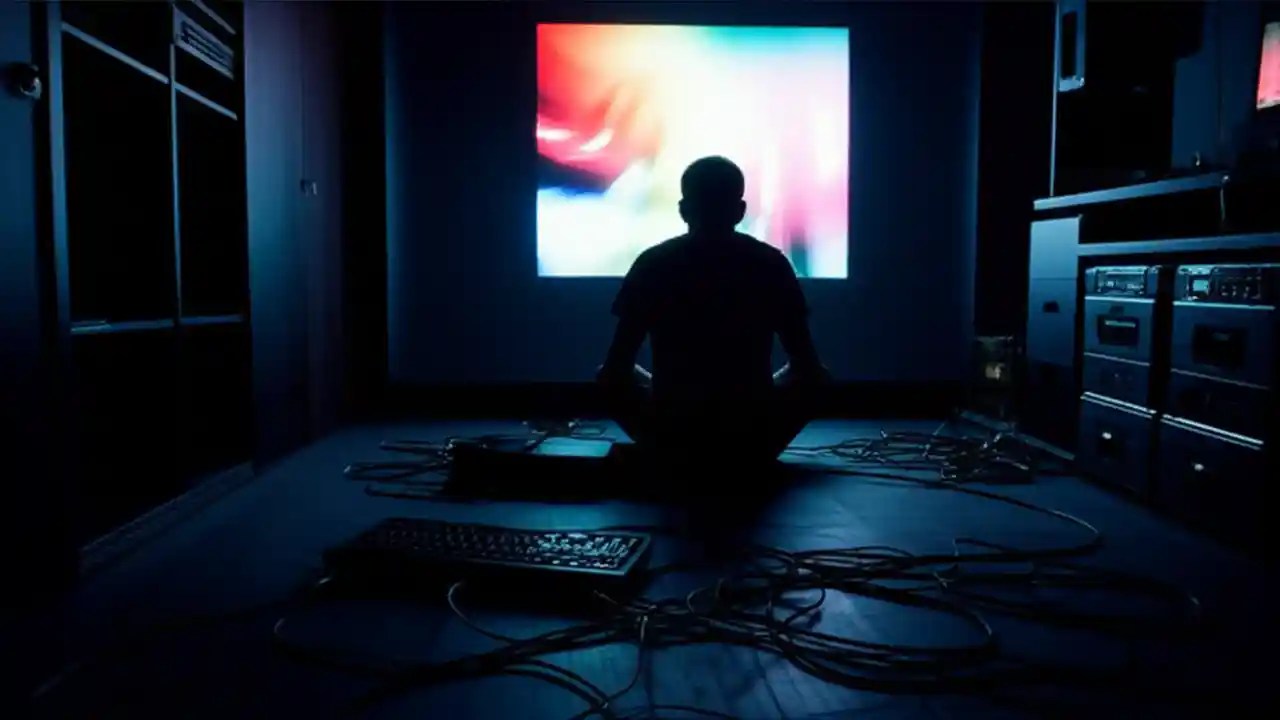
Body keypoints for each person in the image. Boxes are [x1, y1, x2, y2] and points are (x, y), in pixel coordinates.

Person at [597, 156, 829, 467]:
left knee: (606, 376)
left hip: (671, 426)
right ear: (740, 210)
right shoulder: (770, 264)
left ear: (684, 210)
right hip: (752, 430)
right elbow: (806, 364)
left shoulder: (653, 263)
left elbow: (617, 366)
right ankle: (747, 456)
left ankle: (670, 452)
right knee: (816, 378)